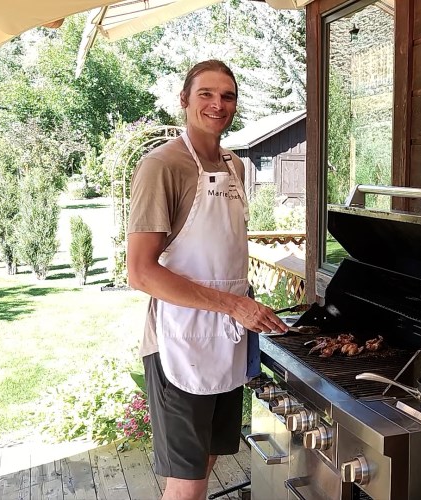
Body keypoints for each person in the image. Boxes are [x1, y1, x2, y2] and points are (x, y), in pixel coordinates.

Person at [126, 59, 288, 500]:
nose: (218, 104)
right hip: (181, 341)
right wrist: (234, 306)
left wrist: (243, 304)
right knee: (187, 480)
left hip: (227, 339)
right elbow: (140, 271)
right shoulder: (162, 166)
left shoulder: (234, 166)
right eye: (206, 94)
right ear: (184, 100)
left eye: (228, 95)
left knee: (209, 459)